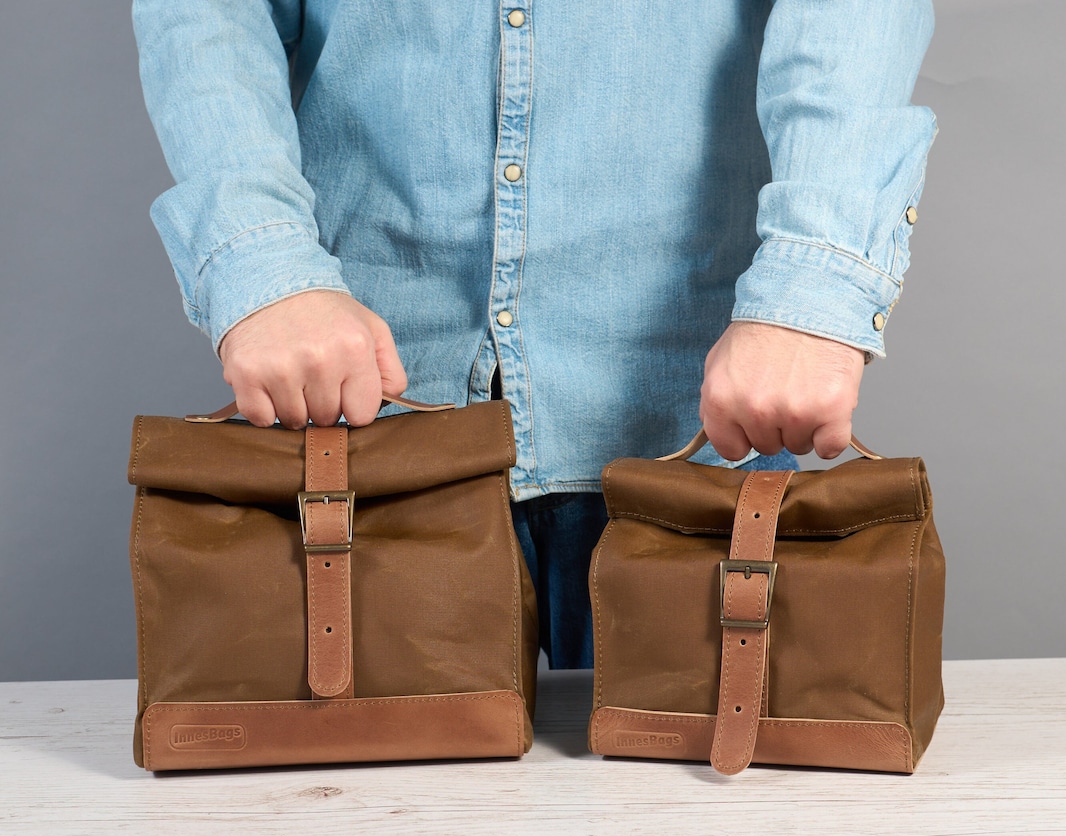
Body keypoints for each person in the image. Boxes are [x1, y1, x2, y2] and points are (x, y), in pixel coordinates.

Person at [133, 1, 936, 669]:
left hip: (689, 424)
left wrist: (812, 287)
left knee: (698, 835)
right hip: (369, 414)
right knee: (357, 830)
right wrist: (262, 265)